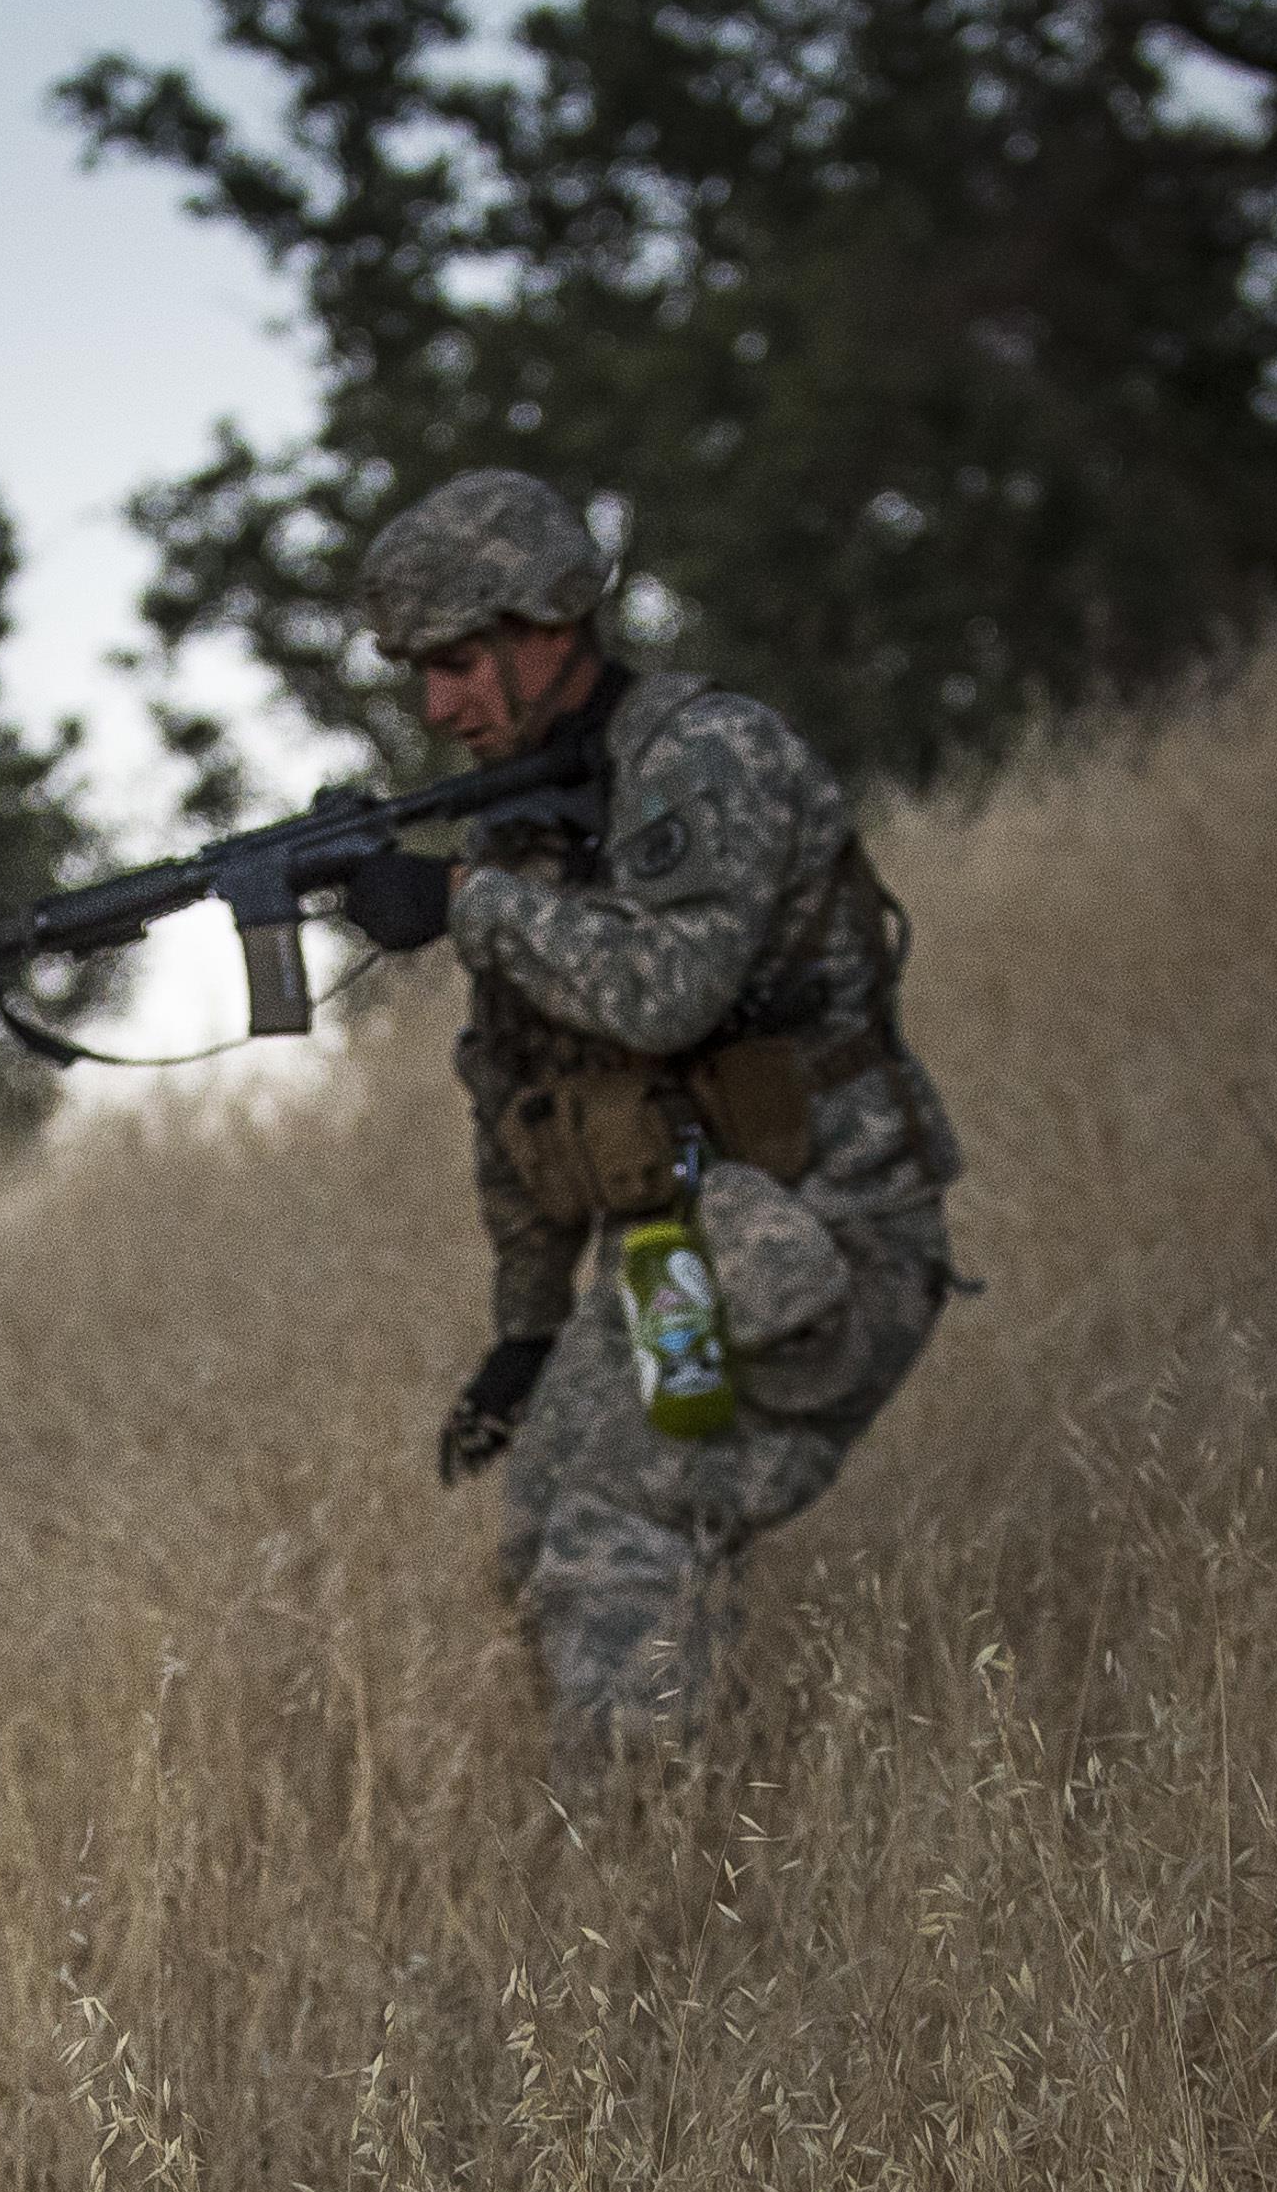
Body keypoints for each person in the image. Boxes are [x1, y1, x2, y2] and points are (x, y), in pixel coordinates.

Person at [326, 467, 967, 1778]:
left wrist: (459, 904)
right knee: (541, 1522)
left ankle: (642, 1867)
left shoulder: (703, 758)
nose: (436, 706)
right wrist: (523, 1332)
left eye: (455, 663)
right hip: (688, 1251)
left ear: (547, 625)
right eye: (418, 674)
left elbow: (669, 993)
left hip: (827, 1239)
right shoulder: (530, 823)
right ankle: (664, 1819)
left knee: (619, 1522)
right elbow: (516, 1094)